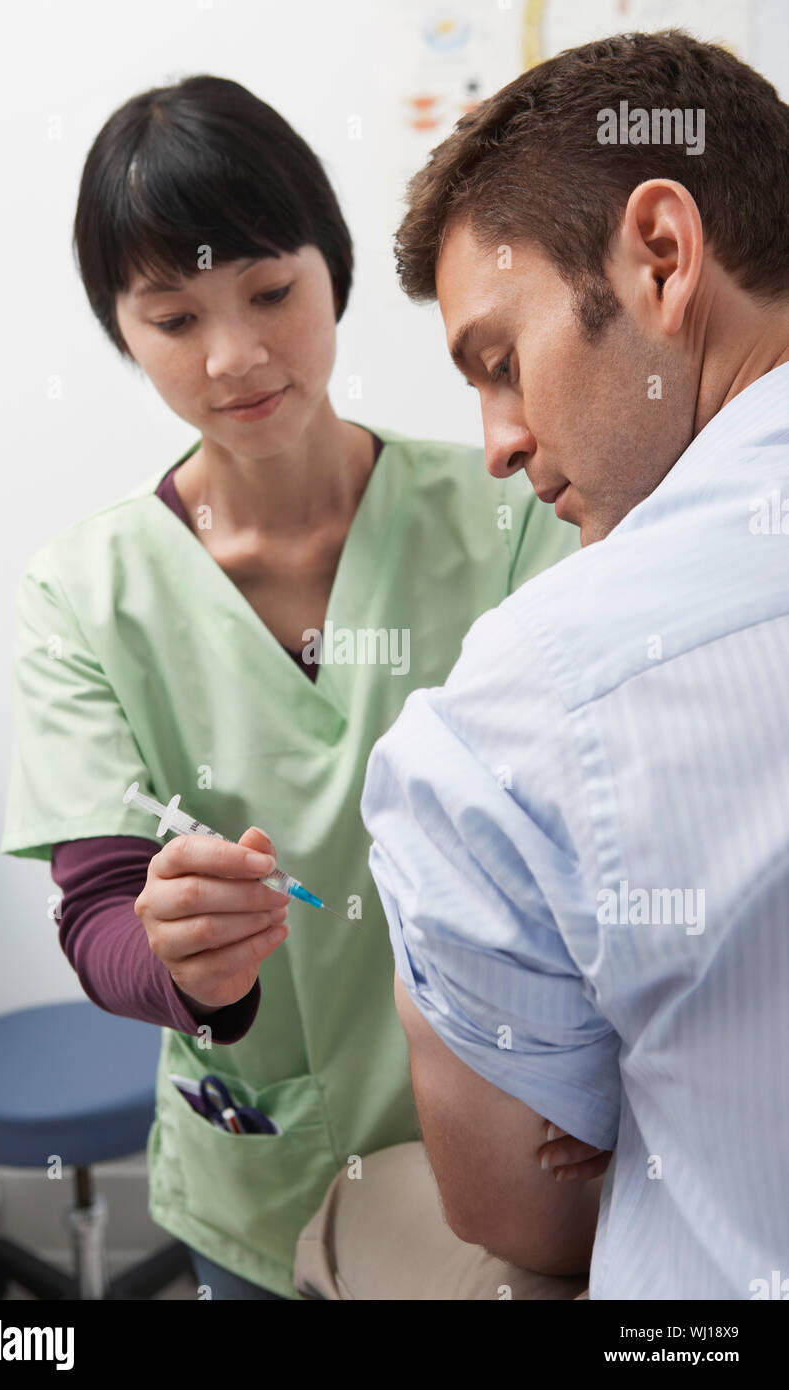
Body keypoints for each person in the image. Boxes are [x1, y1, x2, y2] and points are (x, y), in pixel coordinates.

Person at [0, 74, 581, 1300]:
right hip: (255, 1180)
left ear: (334, 270)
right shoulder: (86, 594)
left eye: (270, 290)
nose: (235, 356)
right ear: (122, 330)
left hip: (501, 1148)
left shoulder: (510, 513)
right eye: (171, 317)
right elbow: (98, 909)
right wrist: (183, 965)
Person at [298, 29, 789, 1300]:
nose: (498, 447)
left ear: (661, 258)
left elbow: (520, 1209)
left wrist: (616, 1089)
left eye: (499, 362)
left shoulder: (527, 697)